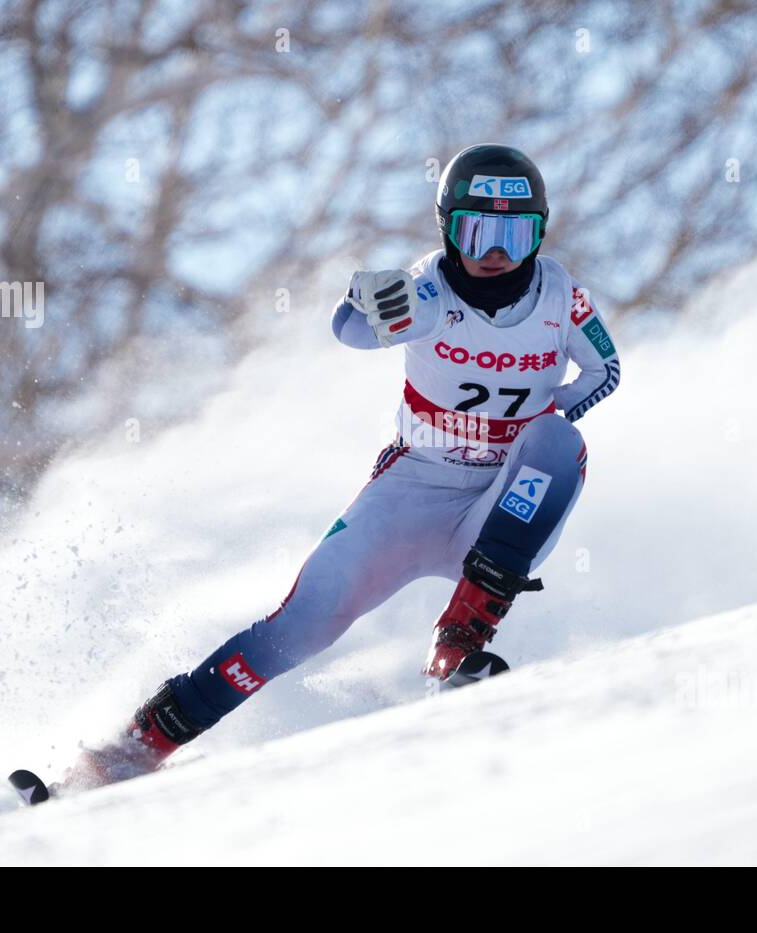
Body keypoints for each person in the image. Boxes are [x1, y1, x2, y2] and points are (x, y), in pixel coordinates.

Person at [59, 144, 622, 792]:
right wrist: (359, 303)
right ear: (447, 227)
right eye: (476, 231)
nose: (495, 252)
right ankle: (136, 747)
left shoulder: (562, 297)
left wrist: (545, 419)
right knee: (299, 626)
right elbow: (354, 332)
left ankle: (459, 645)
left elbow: (604, 370)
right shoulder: (431, 291)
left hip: (506, 499)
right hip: (414, 492)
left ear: (540, 233)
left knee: (555, 443)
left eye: (514, 234)